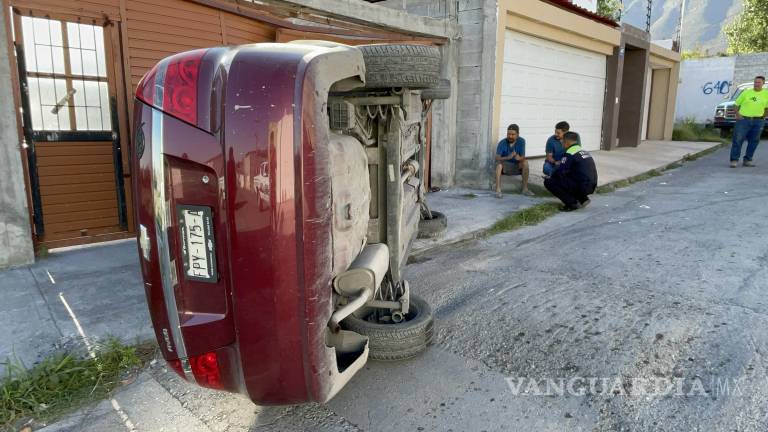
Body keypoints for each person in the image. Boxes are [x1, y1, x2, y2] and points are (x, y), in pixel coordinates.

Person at [544, 131, 597, 212]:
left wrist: (550, 176)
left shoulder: (569, 153)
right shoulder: (583, 151)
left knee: (549, 182)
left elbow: (560, 172)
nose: (561, 142)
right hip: (592, 185)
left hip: (582, 186)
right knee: (572, 177)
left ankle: (572, 204)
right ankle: (583, 199)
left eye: (562, 140)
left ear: (567, 142)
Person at [730, 75, 768, 168]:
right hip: (743, 120)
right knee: (738, 140)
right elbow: (735, 104)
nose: (756, 84)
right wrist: (738, 115)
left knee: (754, 141)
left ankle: (747, 160)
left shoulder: (766, 94)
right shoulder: (746, 93)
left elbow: (767, 107)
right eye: (755, 82)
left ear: (763, 83)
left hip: (758, 121)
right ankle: (734, 160)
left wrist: (764, 116)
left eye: (759, 82)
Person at [495, 124, 534, 198]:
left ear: (518, 135)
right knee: (499, 165)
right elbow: (497, 158)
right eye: (508, 134)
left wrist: (519, 158)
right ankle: (498, 190)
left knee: (525, 162)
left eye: (513, 134)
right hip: (506, 167)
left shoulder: (521, 141)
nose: (510, 136)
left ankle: (525, 189)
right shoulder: (502, 142)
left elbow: (523, 157)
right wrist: (508, 157)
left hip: (517, 166)